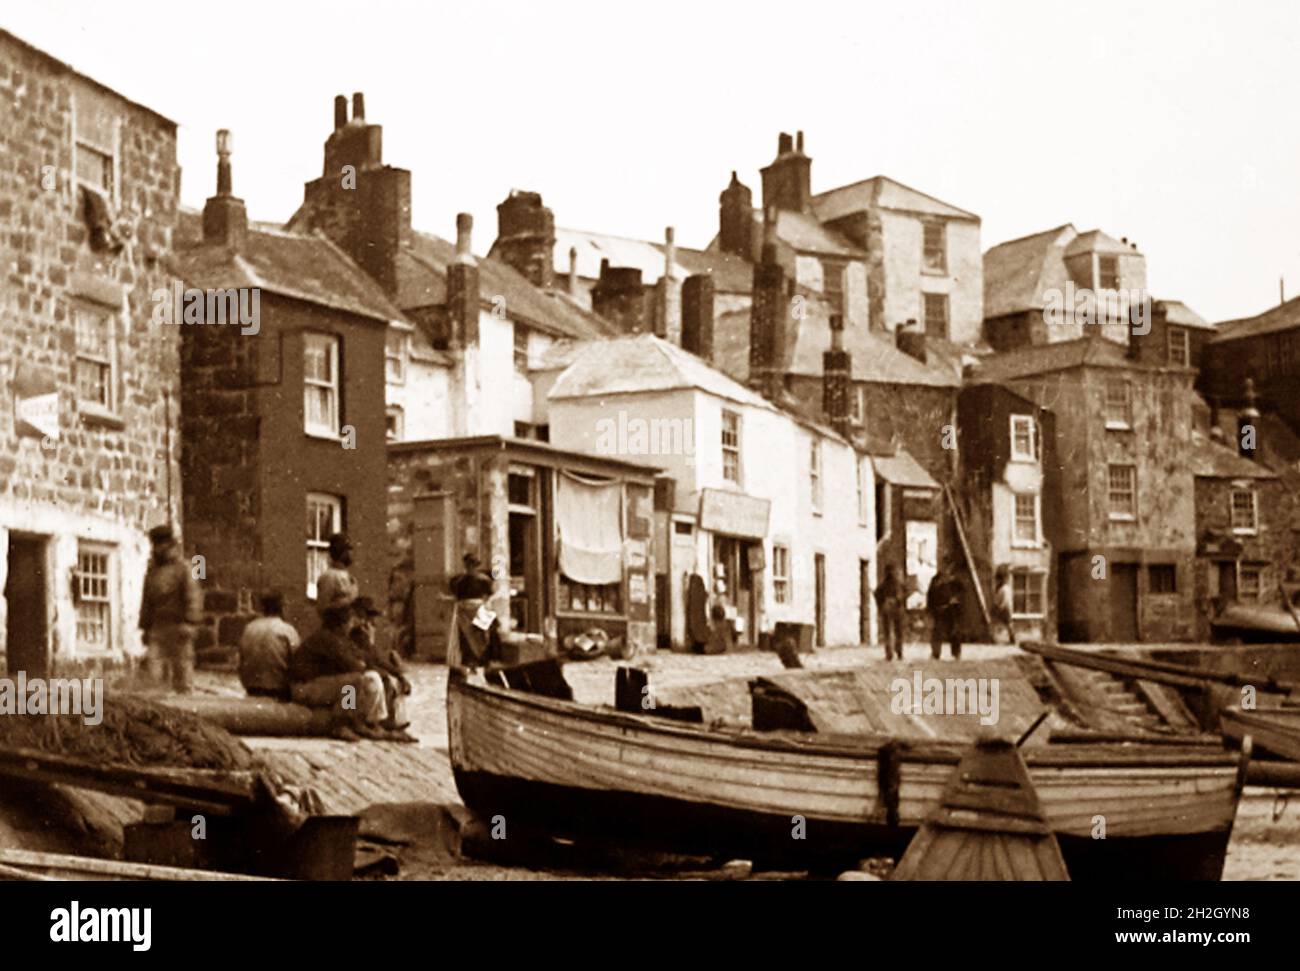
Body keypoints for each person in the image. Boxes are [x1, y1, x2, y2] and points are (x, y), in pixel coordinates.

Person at [289, 605, 389, 741]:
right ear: (341, 624)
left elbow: (364, 660)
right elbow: (354, 666)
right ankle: (341, 725)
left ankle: (359, 722)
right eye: (349, 621)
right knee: (354, 681)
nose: (351, 625)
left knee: (355, 680)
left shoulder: (335, 638)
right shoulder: (328, 640)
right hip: (304, 688)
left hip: (314, 684)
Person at [139, 524, 203, 693]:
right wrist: (145, 627)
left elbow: (193, 596)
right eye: (155, 545)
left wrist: (190, 623)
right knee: (153, 678)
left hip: (179, 628)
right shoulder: (152, 571)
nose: (157, 549)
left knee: (183, 678)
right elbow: (147, 601)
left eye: (160, 544)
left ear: (168, 544)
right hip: (158, 629)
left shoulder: (184, 569)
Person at [351, 596, 416, 742]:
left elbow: (376, 658)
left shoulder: (366, 634)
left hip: (356, 674)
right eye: (368, 617)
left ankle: (392, 723)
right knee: (381, 680)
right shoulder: (355, 634)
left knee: (391, 680)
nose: (371, 622)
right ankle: (378, 723)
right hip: (349, 681)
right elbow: (366, 660)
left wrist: (399, 675)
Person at [238, 591, 300, 700]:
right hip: (279, 693)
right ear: (282, 608)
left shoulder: (249, 628)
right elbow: (298, 664)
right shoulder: (287, 631)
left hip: (252, 690)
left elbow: (241, 662)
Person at [448, 552, 498, 666]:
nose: (470, 568)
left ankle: (484, 658)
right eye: (469, 565)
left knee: (483, 632)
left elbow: (489, 595)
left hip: (478, 609)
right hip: (465, 611)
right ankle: (472, 659)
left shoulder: (483, 580)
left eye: (472, 565)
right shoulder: (460, 581)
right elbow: (457, 597)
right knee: (467, 635)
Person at [315, 533, 359, 617]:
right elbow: (323, 608)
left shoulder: (350, 577)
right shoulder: (329, 577)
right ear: (341, 552)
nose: (352, 553)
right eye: (349, 549)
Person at [926, 565, 964, 661]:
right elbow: (930, 595)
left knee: (954, 631)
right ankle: (936, 653)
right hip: (939, 609)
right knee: (937, 632)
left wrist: (956, 599)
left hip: (952, 610)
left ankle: (956, 653)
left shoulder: (955, 581)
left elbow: (962, 592)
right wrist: (930, 608)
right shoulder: (936, 580)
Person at [874, 565, 905, 661]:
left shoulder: (884, 585)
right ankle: (897, 652)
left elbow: (877, 594)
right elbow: (904, 594)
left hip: (888, 607)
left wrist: (881, 605)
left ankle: (890, 653)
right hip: (896, 608)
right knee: (897, 631)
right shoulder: (898, 584)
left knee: (889, 631)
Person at [992, 565, 1017, 647]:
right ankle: (995, 637)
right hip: (1001, 606)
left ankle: (1012, 638)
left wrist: (1000, 607)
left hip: (1005, 608)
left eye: (998, 579)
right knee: (998, 622)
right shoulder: (1000, 588)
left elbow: (1005, 599)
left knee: (1008, 623)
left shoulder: (1005, 588)